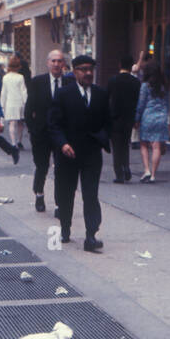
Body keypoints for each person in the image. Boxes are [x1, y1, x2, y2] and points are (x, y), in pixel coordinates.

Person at [48, 54, 111, 252]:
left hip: (91, 153)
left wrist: (101, 138)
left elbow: (108, 121)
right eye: (83, 69)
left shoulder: (101, 94)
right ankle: (65, 228)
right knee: (66, 193)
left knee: (91, 194)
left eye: (91, 69)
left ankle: (91, 235)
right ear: (74, 72)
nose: (88, 73)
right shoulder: (63, 94)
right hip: (68, 153)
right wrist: (63, 144)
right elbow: (53, 124)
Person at [24, 49, 66, 213]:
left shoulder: (69, 83)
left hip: (61, 135)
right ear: (48, 63)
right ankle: (39, 194)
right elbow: (29, 109)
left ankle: (59, 203)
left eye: (59, 61)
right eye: (53, 61)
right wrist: (32, 129)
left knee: (61, 169)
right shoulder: (37, 82)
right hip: (41, 133)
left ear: (63, 64)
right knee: (42, 166)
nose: (56, 64)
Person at [107, 55, 141, 183]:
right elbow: (138, 100)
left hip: (115, 118)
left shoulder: (113, 80)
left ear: (120, 65)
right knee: (125, 144)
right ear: (131, 66)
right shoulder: (136, 82)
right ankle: (126, 166)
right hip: (129, 118)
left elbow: (107, 97)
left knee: (116, 146)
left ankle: (119, 174)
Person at [134, 61, 169, 183]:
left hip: (147, 117)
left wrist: (136, 119)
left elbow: (141, 104)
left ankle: (146, 170)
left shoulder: (145, 86)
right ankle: (154, 175)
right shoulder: (164, 87)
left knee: (143, 144)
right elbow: (167, 104)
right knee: (156, 147)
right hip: (161, 117)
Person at [1, 55, 28, 150]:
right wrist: (26, 103)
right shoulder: (20, 77)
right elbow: (23, 91)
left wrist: (2, 105)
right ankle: (19, 141)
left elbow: (3, 92)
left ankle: (13, 143)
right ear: (18, 67)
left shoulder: (5, 78)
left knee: (12, 123)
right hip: (19, 102)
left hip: (10, 103)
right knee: (21, 123)